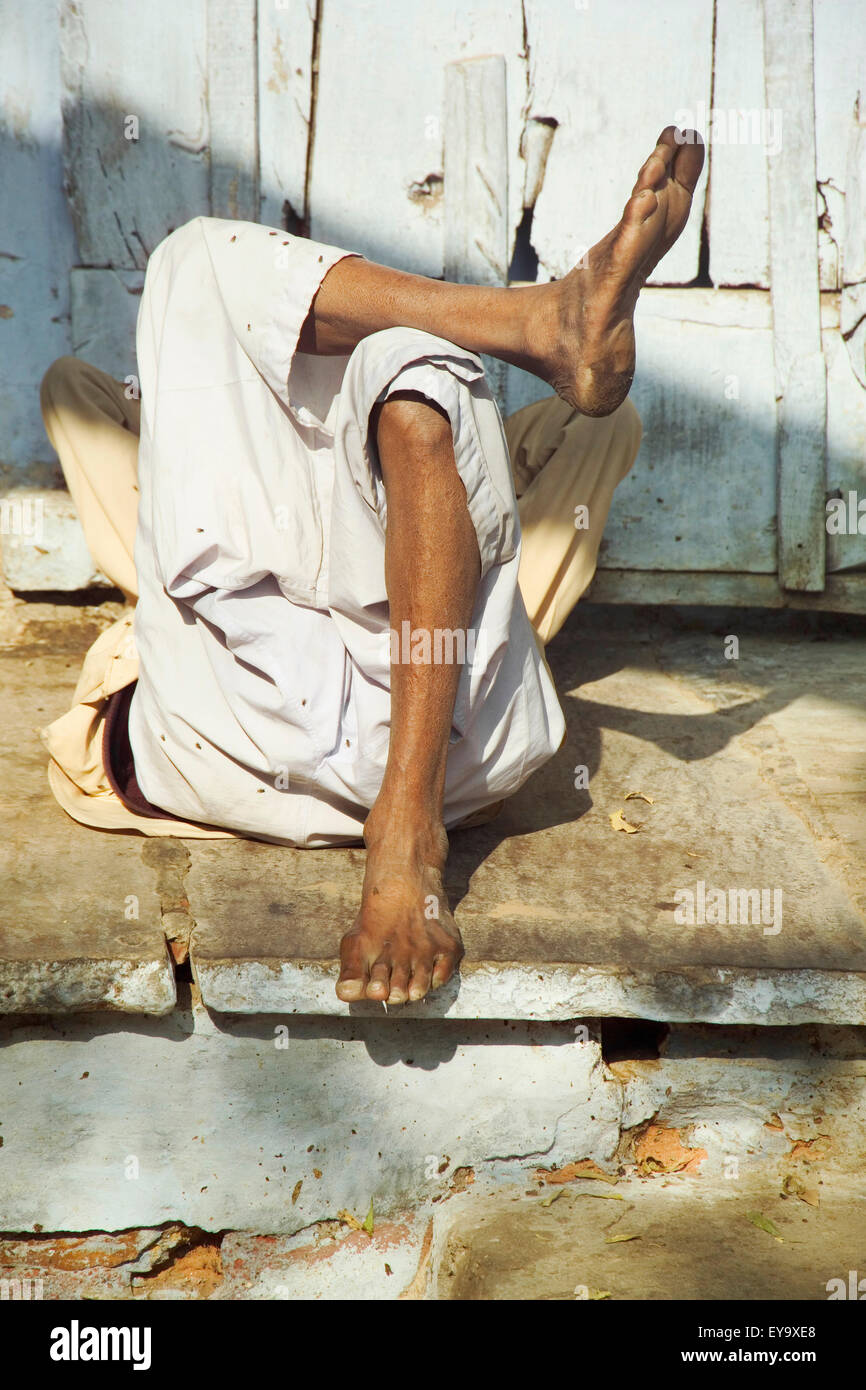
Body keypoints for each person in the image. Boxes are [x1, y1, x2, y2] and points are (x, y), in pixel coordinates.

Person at [40, 127, 704, 1007]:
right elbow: (584, 432)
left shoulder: (243, 433)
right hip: (453, 730)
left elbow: (85, 398)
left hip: (234, 735)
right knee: (426, 391)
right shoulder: (447, 430)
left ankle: (534, 326)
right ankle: (533, 323)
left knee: (191, 267)